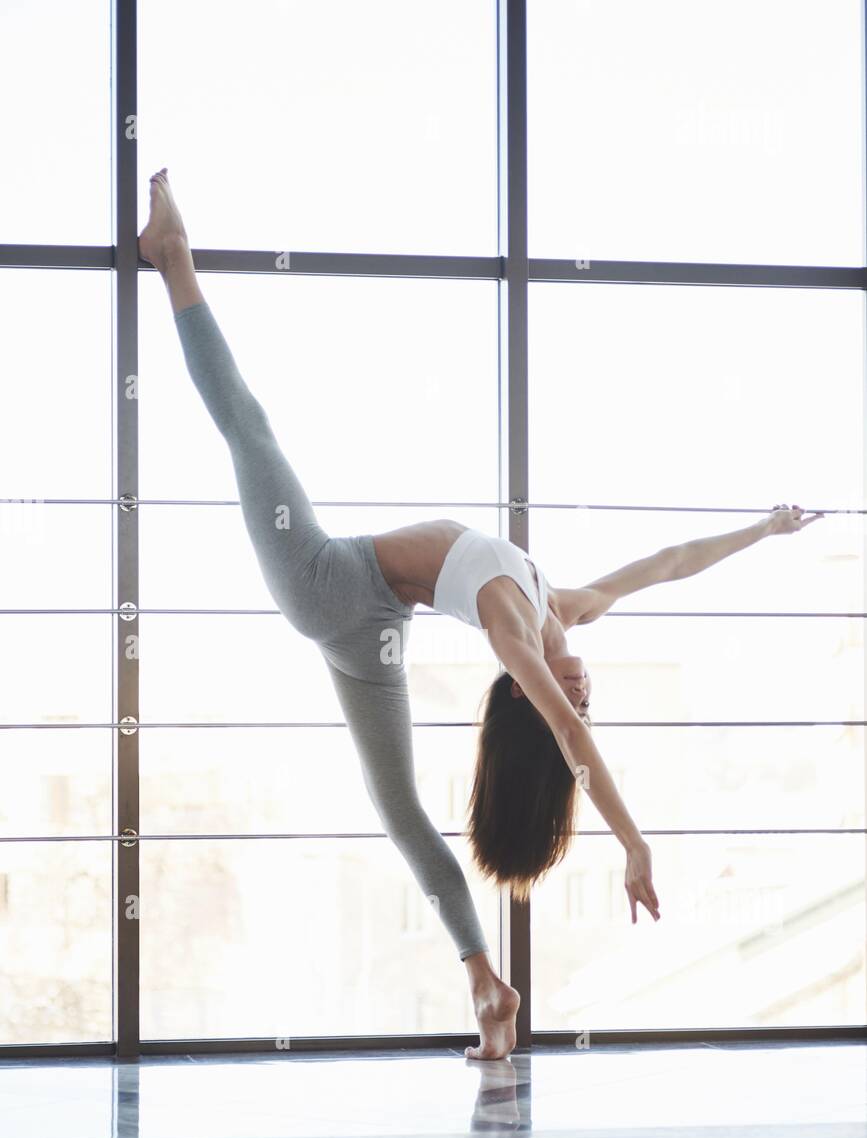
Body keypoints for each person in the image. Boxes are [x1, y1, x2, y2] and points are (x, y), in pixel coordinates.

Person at [139, 168, 824, 1060]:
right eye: (587, 700)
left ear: (531, 694)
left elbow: (576, 752)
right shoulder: (560, 605)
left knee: (252, 430)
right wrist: (763, 529)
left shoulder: (512, 629)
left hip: (324, 580)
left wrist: (634, 843)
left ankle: (173, 257)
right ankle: (487, 987)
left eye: (565, 702)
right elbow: (666, 565)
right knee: (402, 814)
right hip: (372, 629)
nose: (582, 695)